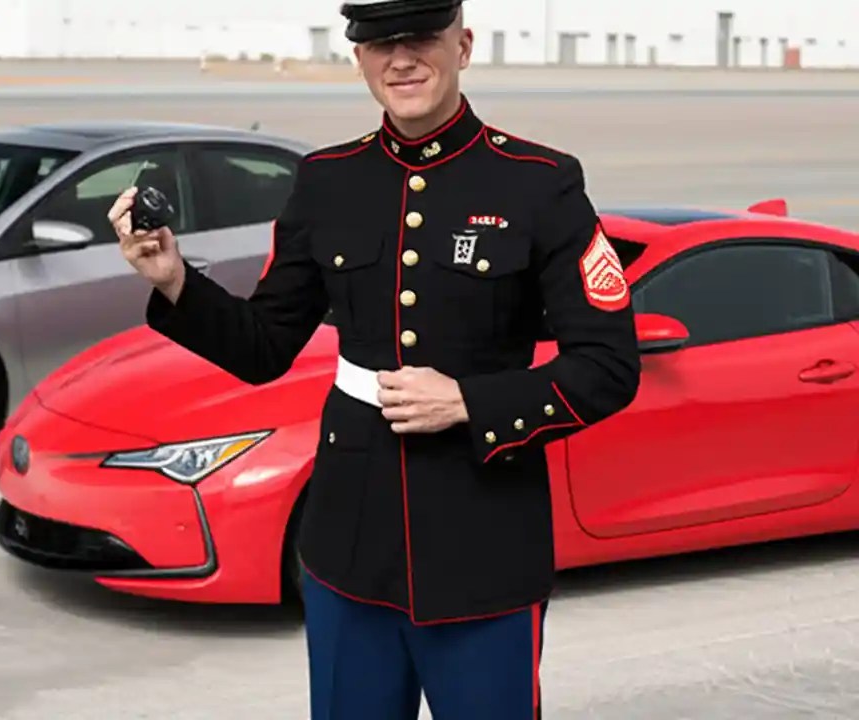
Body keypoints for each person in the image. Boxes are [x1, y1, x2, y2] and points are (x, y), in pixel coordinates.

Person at [107, 1, 641, 717]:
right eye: (379, 42)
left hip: (483, 549)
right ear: (358, 58)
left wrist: (467, 403)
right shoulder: (328, 182)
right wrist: (173, 279)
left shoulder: (539, 183)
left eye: (420, 37)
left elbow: (608, 365)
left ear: (463, 45)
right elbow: (266, 346)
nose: (401, 58)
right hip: (347, 552)